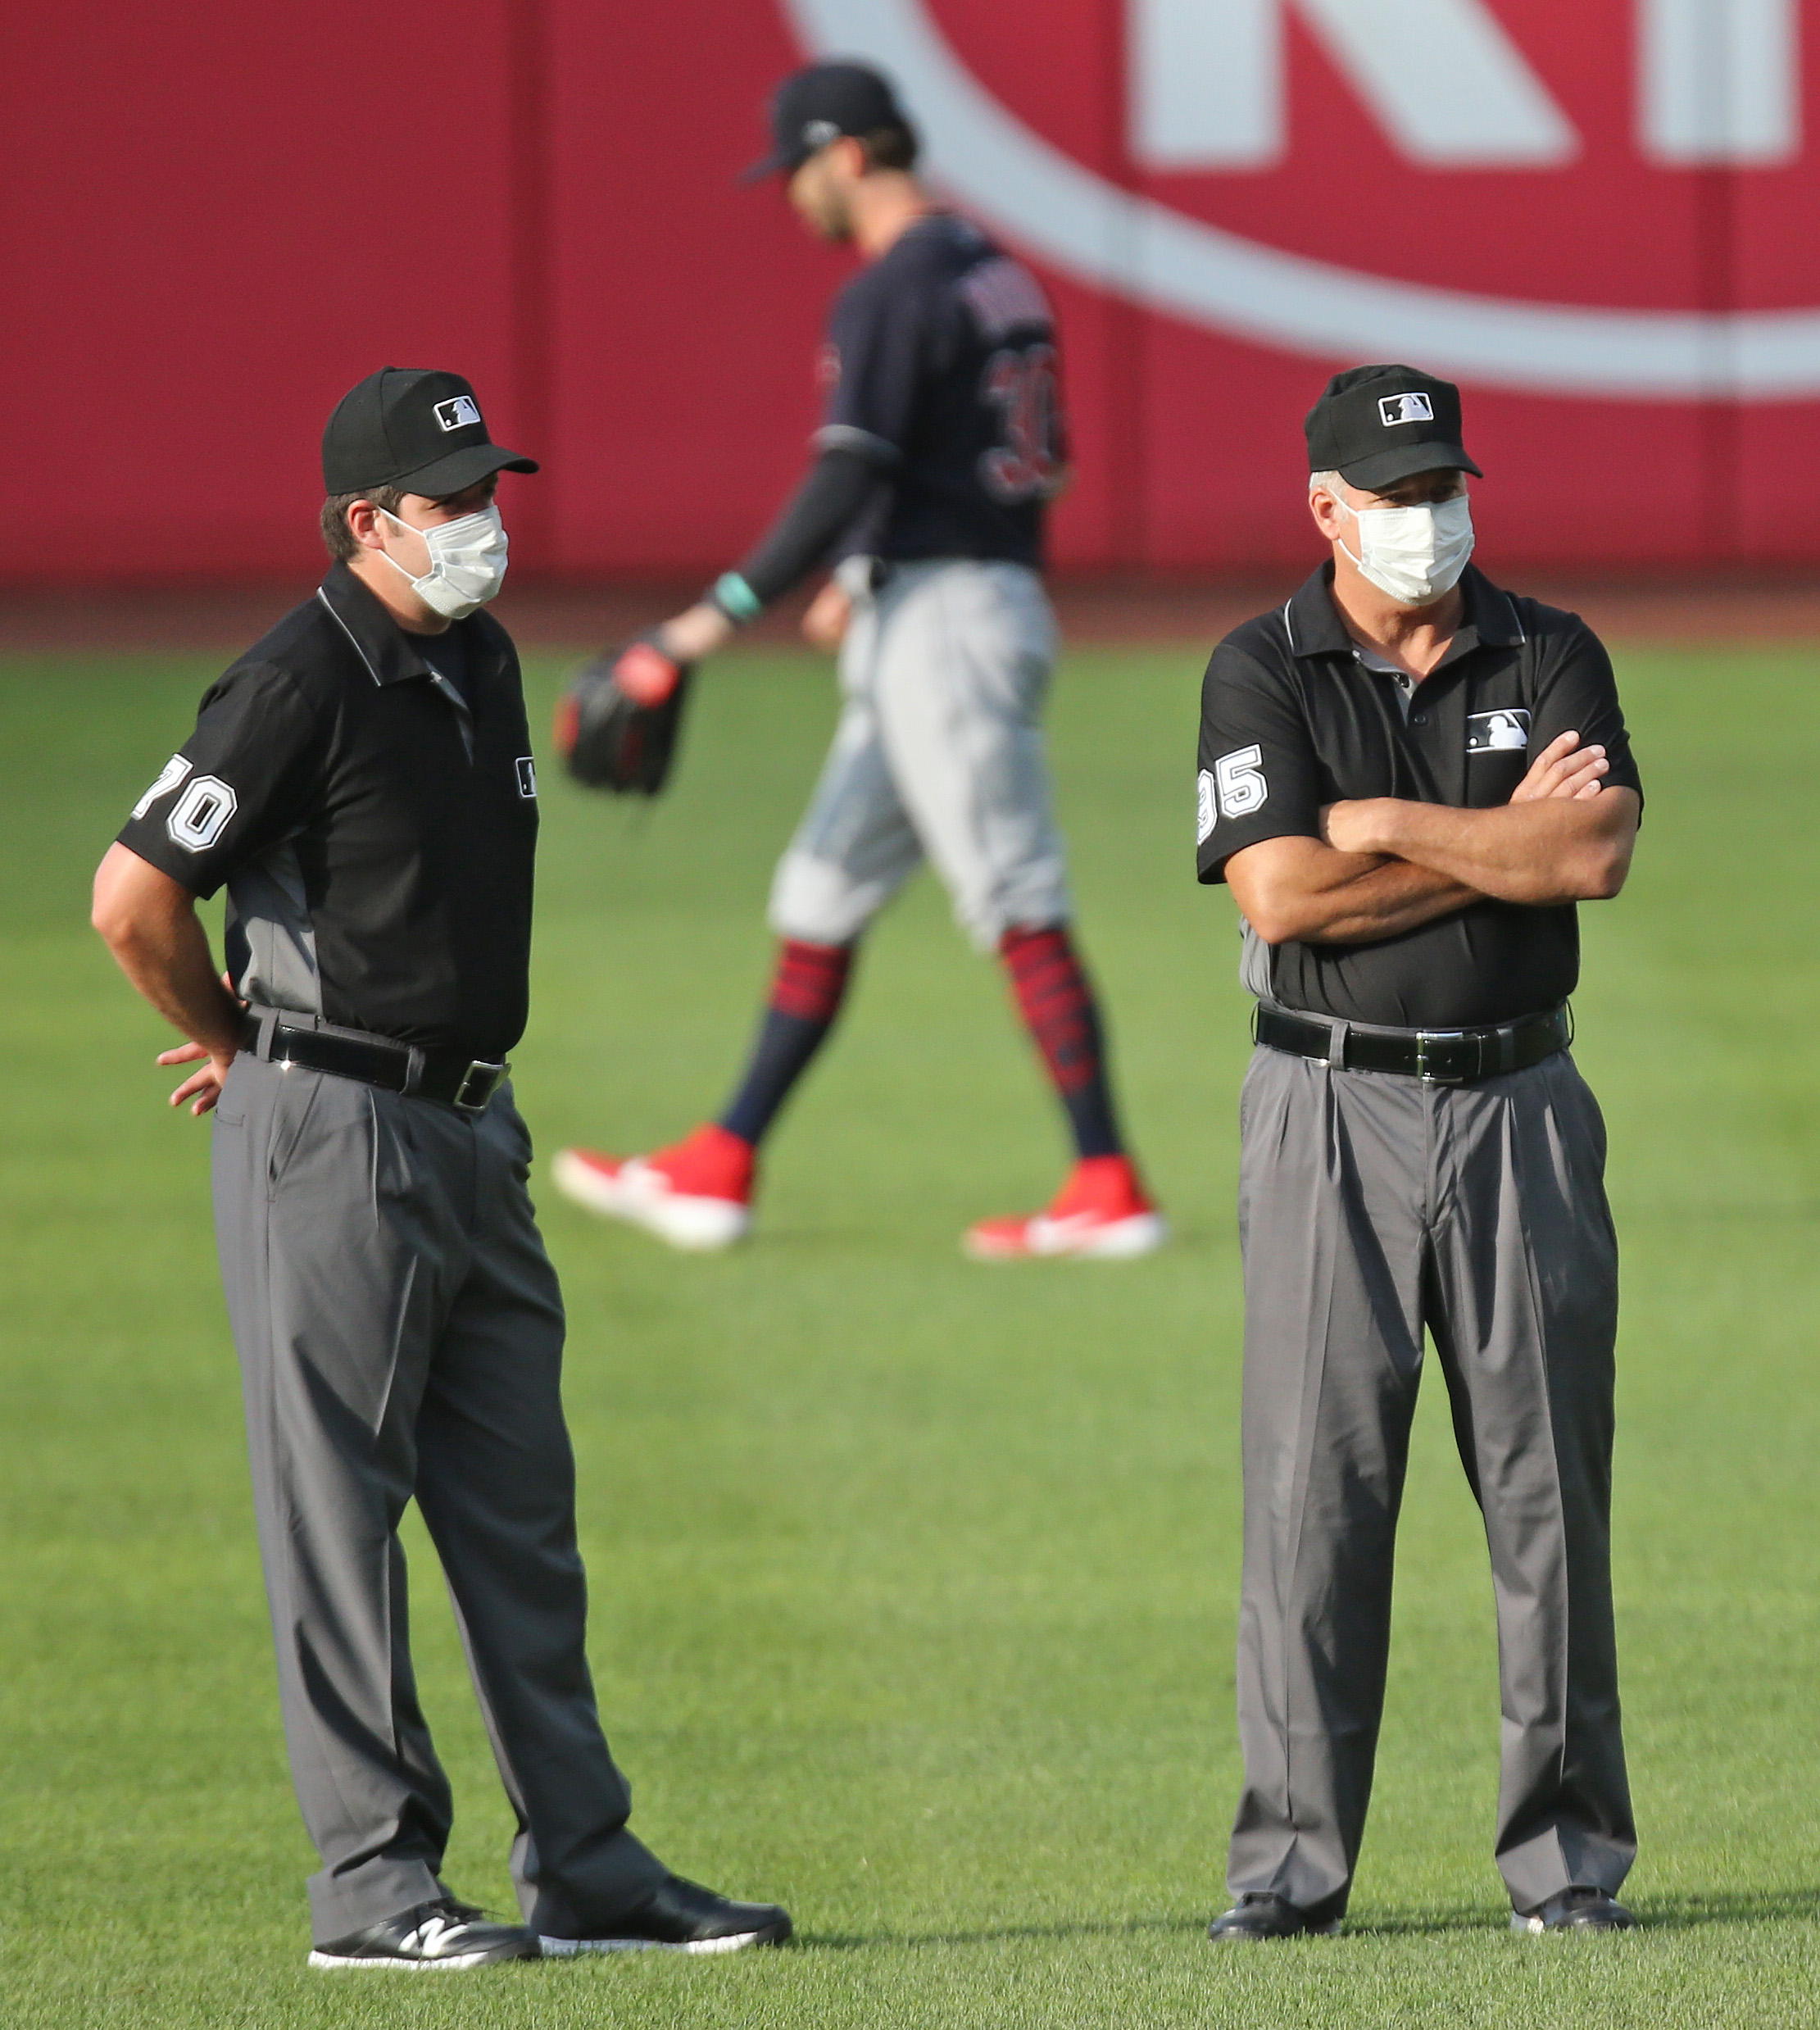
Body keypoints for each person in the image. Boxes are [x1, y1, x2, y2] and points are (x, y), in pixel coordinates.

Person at [91, 367, 792, 1969]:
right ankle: (373, 1887)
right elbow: (133, 895)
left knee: (523, 1522)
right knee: (339, 1521)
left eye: (491, 489)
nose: (485, 523)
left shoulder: (472, 654)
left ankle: (589, 1866)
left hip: (474, 1132)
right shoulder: (293, 681)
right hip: (333, 1132)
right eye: (452, 500)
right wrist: (243, 1040)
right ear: (366, 522)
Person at [551, 60, 1164, 1261]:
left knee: (1013, 891)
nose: (790, 200)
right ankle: (719, 1164)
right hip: (938, 597)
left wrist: (704, 621)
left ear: (844, 156)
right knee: (819, 892)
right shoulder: (997, 270)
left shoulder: (890, 290)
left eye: (794, 173)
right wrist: (859, 573)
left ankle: (1106, 1182)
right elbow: (1038, 464)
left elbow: (848, 468)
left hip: (946, 626)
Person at [1195, 366, 1642, 1940]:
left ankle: (1568, 1862)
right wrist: (1483, 842)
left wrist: (1378, 821)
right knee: (1317, 1500)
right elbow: (1282, 901)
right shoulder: (1261, 665)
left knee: (1547, 1495)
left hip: (1522, 1104)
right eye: (1393, 496)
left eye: (1445, 486)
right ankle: (1290, 1872)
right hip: (1328, 1109)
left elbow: (1588, 849)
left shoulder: (1550, 645)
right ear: (1325, 508)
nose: (1427, 519)